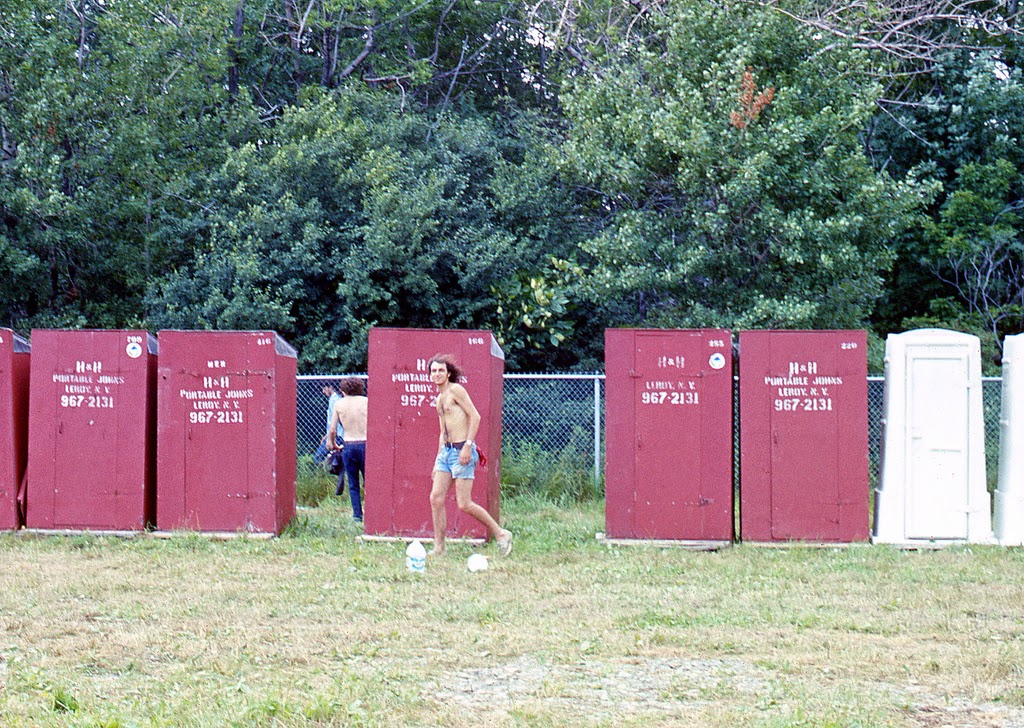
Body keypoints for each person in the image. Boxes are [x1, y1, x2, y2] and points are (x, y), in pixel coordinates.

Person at [427, 353, 512, 557]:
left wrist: (468, 445)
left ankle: (501, 534)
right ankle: (439, 547)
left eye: (440, 370)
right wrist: (438, 458)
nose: (437, 374)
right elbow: (443, 431)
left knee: (464, 503)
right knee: (436, 498)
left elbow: (475, 416)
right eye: (433, 371)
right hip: (446, 454)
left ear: (448, 373)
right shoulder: (439, 398)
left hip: (462, 451)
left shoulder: (456, 390)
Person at [328, 378, 368, 523]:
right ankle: (370, 512)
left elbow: (332, 430)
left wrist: (333, 444)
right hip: (365, 443)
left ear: (344, 390)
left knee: (353, 483)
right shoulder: (366, 402)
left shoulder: (339, 404)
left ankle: (357, 514)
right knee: (368, 481)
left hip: (348, 444)